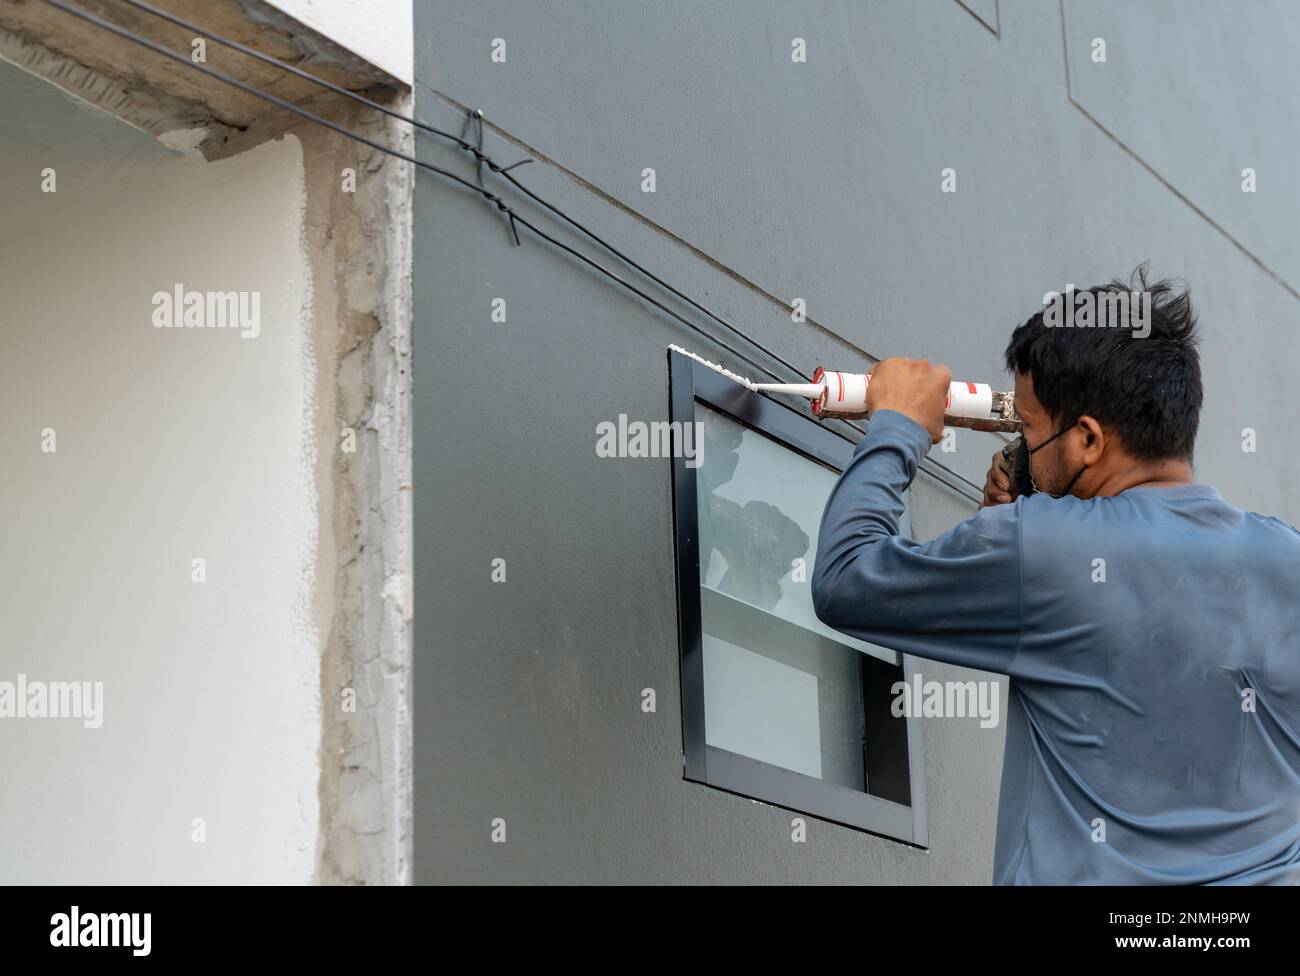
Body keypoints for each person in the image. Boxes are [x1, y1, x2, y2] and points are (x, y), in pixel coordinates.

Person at [810, 267, 1300, 884]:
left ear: (1088, 440)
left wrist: (898, 427)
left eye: (1031, 430)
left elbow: (845, 575)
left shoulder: (1040, 549)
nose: (1022, 450)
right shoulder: (1287, 558)